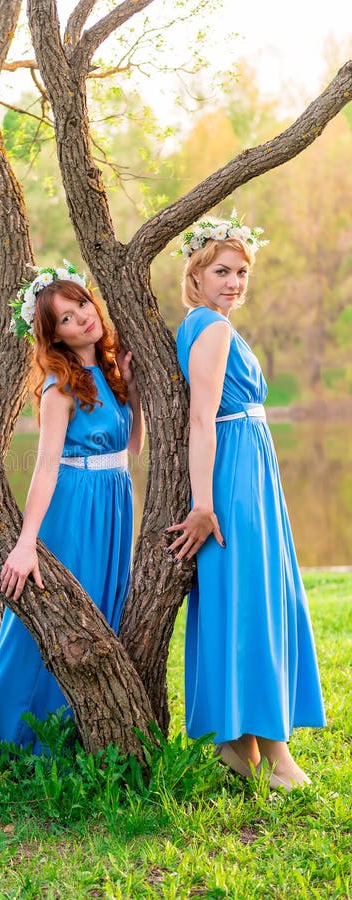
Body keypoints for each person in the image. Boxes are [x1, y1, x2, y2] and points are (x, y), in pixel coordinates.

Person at [166, 214, 326, 791]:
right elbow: (202, 418)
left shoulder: (211, 324)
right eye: (221, 271)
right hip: (232, 473)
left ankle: (243, 743)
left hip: (252, 466)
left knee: (250, 599)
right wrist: (204, 503)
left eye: (240, 272)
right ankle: (274, 751)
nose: (233, 281)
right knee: (251, 602)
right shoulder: (209, 328)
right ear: (197, 275)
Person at [0, 263, 145, 760]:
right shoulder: (58, 385)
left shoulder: (108, 372)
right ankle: (5, 747)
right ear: (54, 336)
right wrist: (26, 545)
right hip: (75, 507)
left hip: (114, 500)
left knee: (102, 615)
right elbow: (45, 467)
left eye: (82, 306)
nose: (81, 320)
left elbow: (130, 448)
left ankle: (78, 739)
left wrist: (133, 392)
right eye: (65, 319)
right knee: (54, 624)